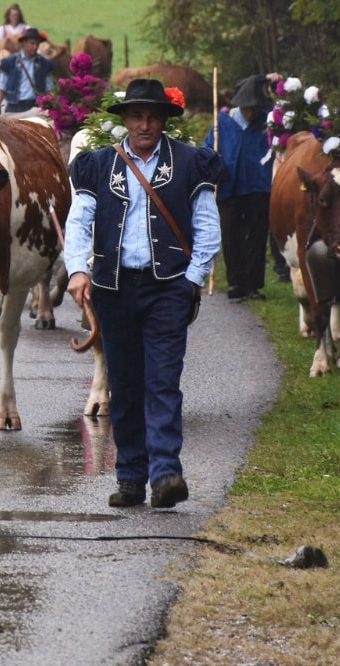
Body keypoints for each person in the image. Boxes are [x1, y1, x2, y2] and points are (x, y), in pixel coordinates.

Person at [64, 78, 222, 509]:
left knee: (163, 381)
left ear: (164, 120)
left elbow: (208, 227)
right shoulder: (97, 165)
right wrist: (78, 269)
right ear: (127, 120)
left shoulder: (191, 163)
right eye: (137, 116)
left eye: (153, 116)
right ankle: (131, 478)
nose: (145, 123)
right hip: (112, 289)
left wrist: (192, 279)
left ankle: (166, 473)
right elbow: (78, 221)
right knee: (124, 383)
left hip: (169, 289)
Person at [204, 72, 280, 302]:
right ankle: (236, 282)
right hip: (229, 187)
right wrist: (211, 159)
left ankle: (253, 285)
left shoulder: (267, 122)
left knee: (257, 236)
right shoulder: (222, 123)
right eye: (247, 108)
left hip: (259, 187)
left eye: (255, 108)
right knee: (231, 235)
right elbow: (206, 151)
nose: (251, 112)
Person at [0, 27, 54, 113]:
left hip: (35, 107)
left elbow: (49, 88)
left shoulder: (45, 64)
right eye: (32, 43)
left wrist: (55, 106)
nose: (35, 47)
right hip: (14, 107)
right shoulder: (9, 62)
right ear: (24, 42)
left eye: (37, 44)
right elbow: (1, 87)